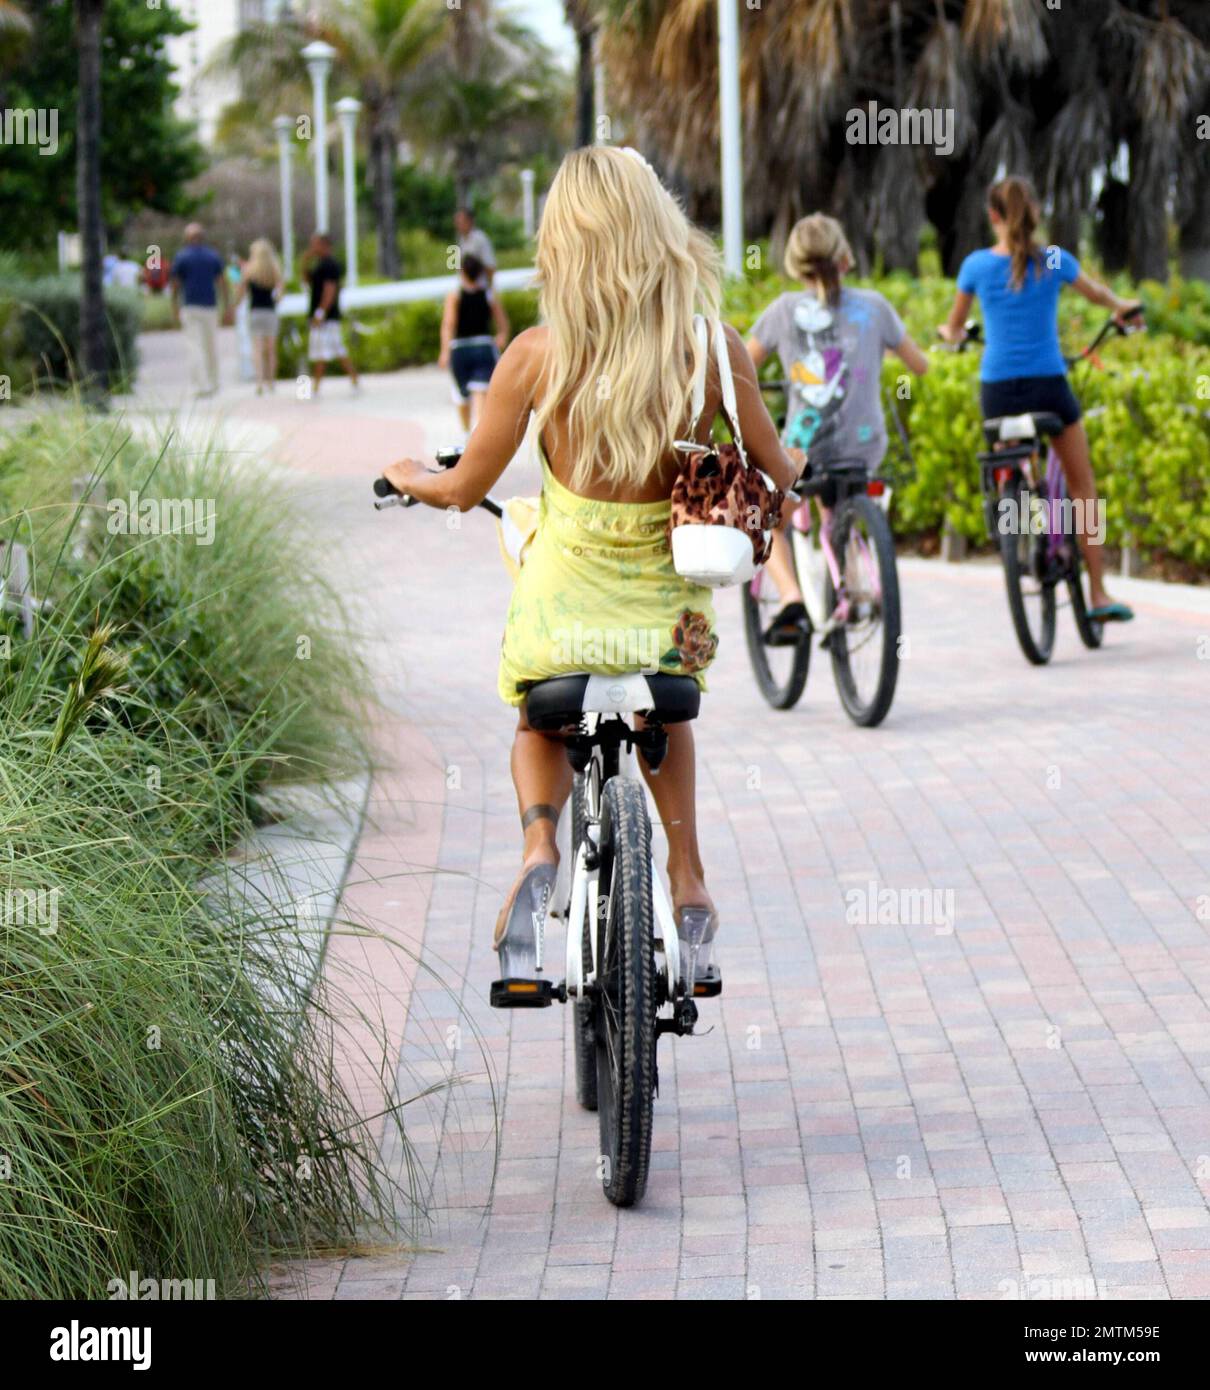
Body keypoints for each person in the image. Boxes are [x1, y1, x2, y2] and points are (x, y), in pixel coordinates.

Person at [383, 146, 799, 982]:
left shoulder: (537, 356)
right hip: (668, 634)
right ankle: (687, 877)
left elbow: (467, 489)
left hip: (559, 628)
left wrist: (412, 479)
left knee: (535, 724)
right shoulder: (714, 352)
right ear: (659, 232)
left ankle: (540, 847)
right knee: (666, 723)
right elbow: (782, 475)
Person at [939, 176, 1140, 622]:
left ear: (993, 216)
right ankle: (1099, 592)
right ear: (1034, 213)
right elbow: (1102, 297)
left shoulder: (974, 265)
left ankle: (1017, 526)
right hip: (1050, 387)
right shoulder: (1053, 258)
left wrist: (948, 336)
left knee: (1007, 461)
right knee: (1083, 487)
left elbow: (953, 328)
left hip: (998, 392)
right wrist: (1123, 307)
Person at [747, 213, 927, 641]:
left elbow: (740, 369)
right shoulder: (875, 307)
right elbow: (919, 365)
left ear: (794, 265)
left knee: (762, 520)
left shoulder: (782, 311)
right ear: (844, 259)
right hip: (864, 448)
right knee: (837, 501)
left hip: (804, 453)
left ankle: (791, 597)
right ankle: (852, 583)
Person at [439, 253, 509, 435]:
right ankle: (480, 433)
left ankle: (466, 433)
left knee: (462, 397)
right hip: (484, 346)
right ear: (479, 273)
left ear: (462, 272)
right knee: (481, 392)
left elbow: (449, 324)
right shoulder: (487, 294)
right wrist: (501, 337)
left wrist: (445, 351)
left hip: (459, 348)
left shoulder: (455, 295)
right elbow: (502, 322)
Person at [170, 223, 227, 398]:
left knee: (195, 346)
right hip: (210, 305)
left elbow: (176, 285)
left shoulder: (182, 257)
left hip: (191, 306)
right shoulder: (213, 256)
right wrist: (228, 304)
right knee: (210, 345)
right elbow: (221, 282)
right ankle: (214, 382)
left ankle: (200, 385)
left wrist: (174, 306)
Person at [303, 232, 360, 396]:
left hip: (327, 316)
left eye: (315, 244)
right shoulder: (319, 265)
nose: (312, 248)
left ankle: (314, 388)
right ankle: (353, 379)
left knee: (324, 351)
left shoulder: (330, 265)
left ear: (324, 245)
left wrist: (320, 312)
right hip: (322, 315)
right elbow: (308, 281)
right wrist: (305, 260)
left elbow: (330, 291)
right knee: (334, 349)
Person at [236, 238, 285, 394]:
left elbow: (240, 292)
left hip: (255, 311)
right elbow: (280, 291)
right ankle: (271, 381)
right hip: (270, 311)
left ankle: (259, 381)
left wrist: (235, 304)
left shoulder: (249, 270)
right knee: (271, 349)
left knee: (257, 348)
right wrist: (276, 299)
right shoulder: (274, 270)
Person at [454, 207, 496, 289]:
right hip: (468, 288)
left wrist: (488, 289)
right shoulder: (461, 240)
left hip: (481, 288)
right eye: (456, 222)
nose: (457, 225)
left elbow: (490, 266)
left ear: (470, 221)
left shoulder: (480, 239)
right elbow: (459, 267)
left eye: (460, 222)